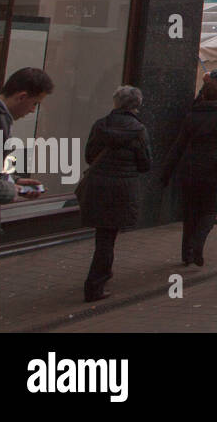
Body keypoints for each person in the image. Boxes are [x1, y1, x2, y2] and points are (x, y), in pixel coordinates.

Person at [0, 68, 54, 319]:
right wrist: (14, 190)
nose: (33, 110)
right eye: (35, 103)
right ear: (22, 96)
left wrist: (15, 179)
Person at [78, 86, 151, 302]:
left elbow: (90, 155)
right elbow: (145, 163)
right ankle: (96, 283)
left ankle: (100, 278)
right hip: (122, 188)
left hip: (99, 185)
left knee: (104, 236)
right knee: (108, 237)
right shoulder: (139, 130)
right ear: (137, 105)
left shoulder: (101, 125)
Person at [161, 78, 217, 266]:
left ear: (203, 94)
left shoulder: (191, 115)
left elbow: (179, 145)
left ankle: (186, 254)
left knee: (190, 212)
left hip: (190, 167)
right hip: (214, 168)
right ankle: (198, 243)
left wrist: (166, 171)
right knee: (210, 210)